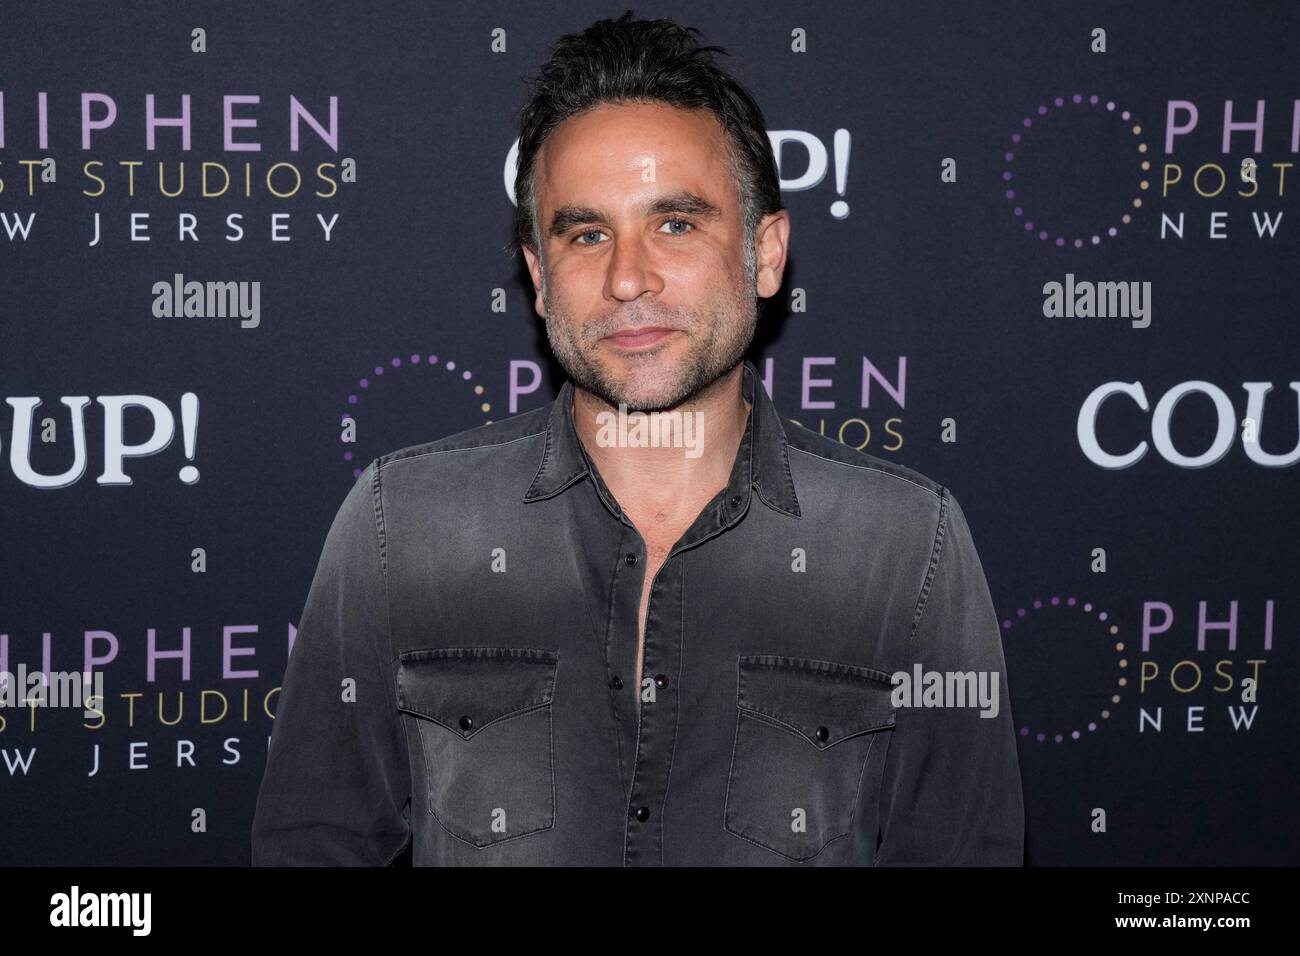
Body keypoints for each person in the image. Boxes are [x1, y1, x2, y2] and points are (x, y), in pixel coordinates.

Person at [251, 11, 1024, 866]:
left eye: (676, 224)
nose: (628, 278)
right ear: (540, 279)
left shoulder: (906, 547)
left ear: (766, 254)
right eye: (586, 234)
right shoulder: (404, 527)